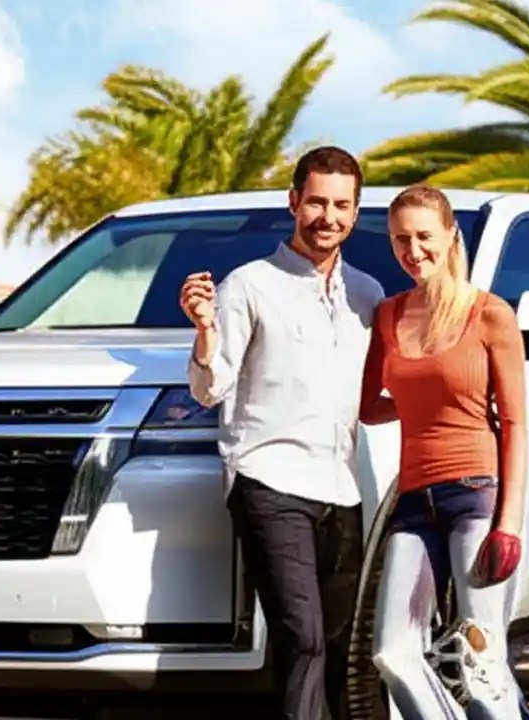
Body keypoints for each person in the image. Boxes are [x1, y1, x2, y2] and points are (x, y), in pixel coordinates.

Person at [178, 146, 385, 720]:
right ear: (294, 201)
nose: (328, 216)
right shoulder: (248, 286)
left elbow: (380, 392)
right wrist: (203, 330)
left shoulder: (367, 296)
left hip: (343, 490)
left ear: (355, 210)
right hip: (270, 482)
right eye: (316, 201)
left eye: (341, 205)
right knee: (304, 638)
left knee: (341, 648)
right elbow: (209, 387)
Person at [359, 184, 529, 720]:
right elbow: (368, 406)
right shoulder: (388, 318)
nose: (413, 251)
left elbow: (517, 423)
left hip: (477, 498)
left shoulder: (490, 315)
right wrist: (422, 412)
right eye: (400, 240)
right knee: (392, 653)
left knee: (481, 662)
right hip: (414, 503)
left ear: (450, 236)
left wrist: (508, 524)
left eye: (423, 237)